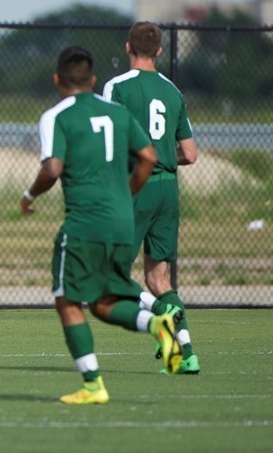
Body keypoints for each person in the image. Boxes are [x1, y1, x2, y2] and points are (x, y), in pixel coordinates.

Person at [20, 46, 181, 405]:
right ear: (93, 80)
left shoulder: (56, 116)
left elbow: (52, 169)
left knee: (67, 300)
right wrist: (128, 192)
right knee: (105, 301)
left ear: (57, 80)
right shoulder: (117, 113)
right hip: (123, 222)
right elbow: (149, 156)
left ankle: (93, 385)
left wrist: (29, 196)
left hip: (84, 224)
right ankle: (158, 324)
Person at [102, 21, 200, 375]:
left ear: (127, 47)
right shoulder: (173, 91)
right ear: (159, 51)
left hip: (135, 185)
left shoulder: (117, 87)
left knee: (109, 275)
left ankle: (162, 321)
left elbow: (108, 141)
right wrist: (161, 152)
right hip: (168, 188)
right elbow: (190, 153)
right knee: (159, 281)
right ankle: (186, 354)